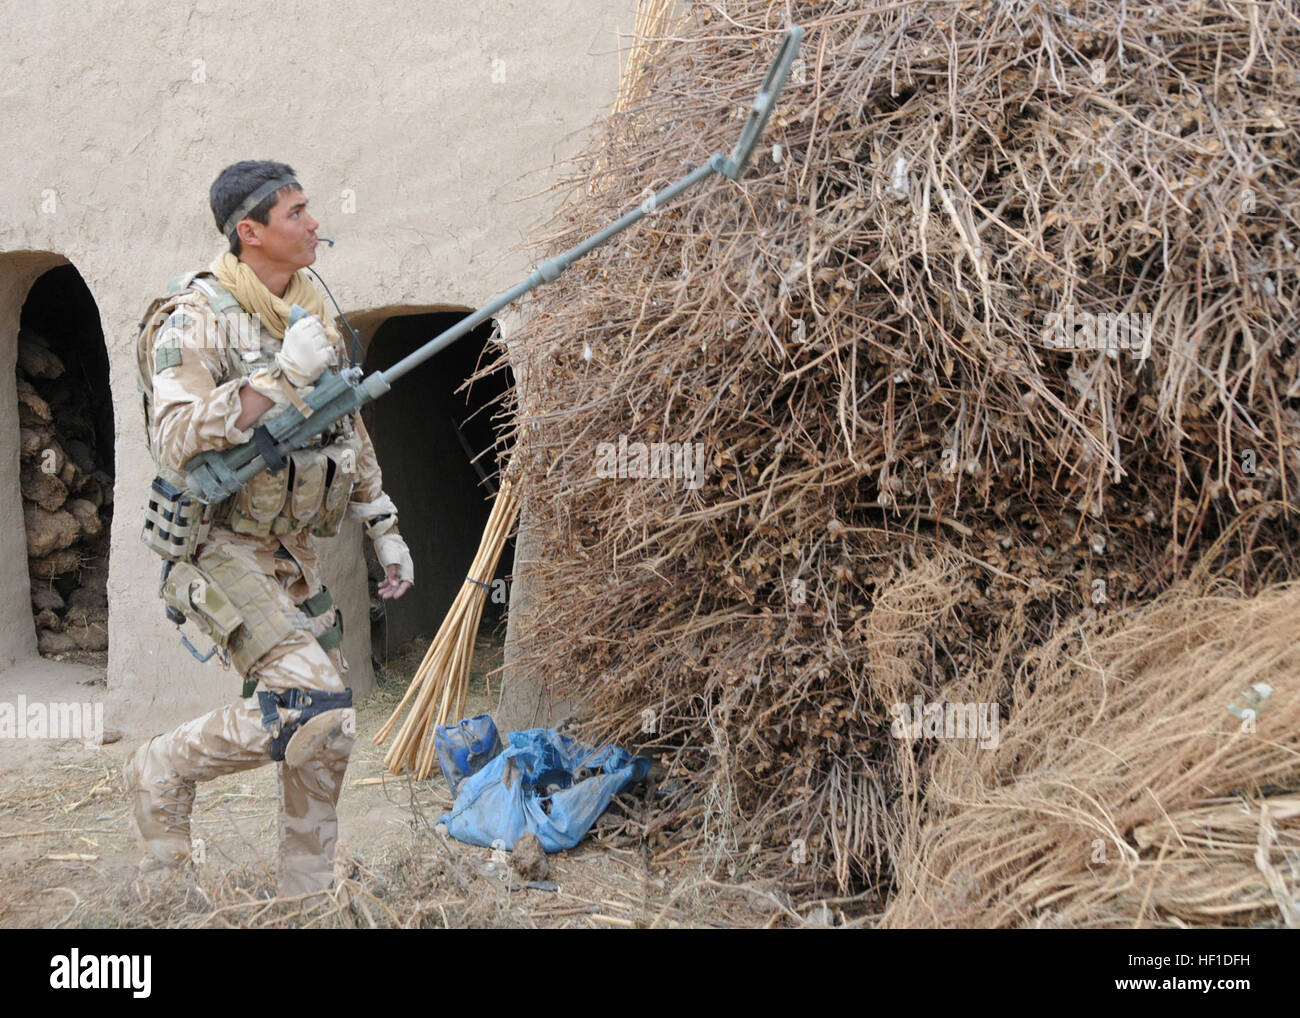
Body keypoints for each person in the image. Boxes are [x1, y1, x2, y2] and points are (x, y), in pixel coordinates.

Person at [125, 160, 413, 895]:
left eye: (311, 208)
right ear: (249, 233)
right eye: (296, 213)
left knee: (330, 729)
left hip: (292, 551)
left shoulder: (309, 305)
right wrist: (277, 378)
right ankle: (163, 762)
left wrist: (380, 521)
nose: (316, 223)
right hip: (218, 546)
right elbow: (179, 436)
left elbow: (342, 418)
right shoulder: (196, 317)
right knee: (313, 704)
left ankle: (305, 892)